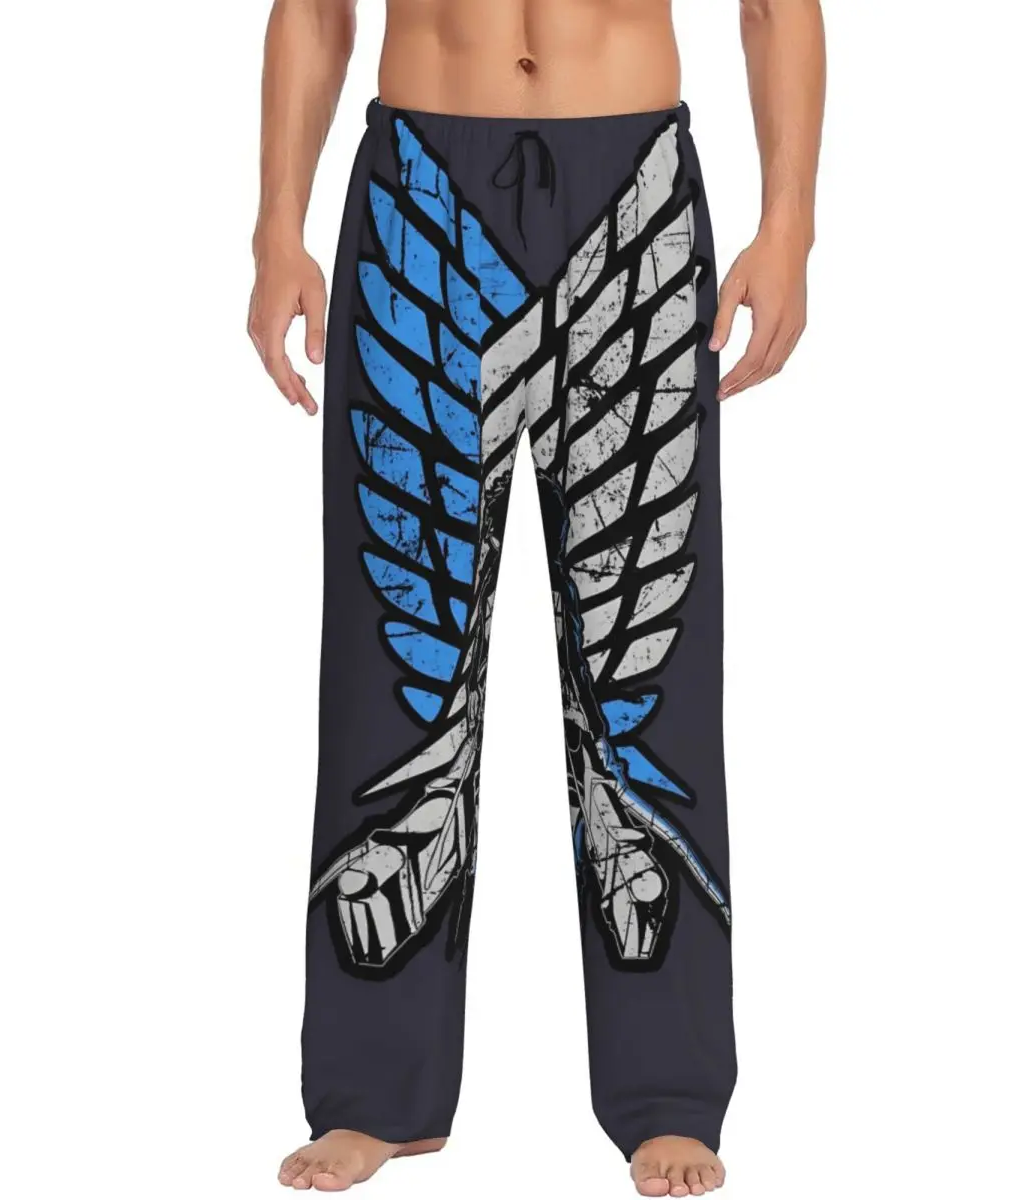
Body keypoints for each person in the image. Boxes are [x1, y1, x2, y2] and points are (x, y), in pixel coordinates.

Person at [248, 1, 825, 1194]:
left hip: (633, 179)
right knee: (397, 657)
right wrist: (275, 228)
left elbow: (776, 6)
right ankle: (374, 1093)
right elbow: (313, 9)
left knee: (643, 664)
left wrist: (790, 226)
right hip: (417, 173)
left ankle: (669, 1094)